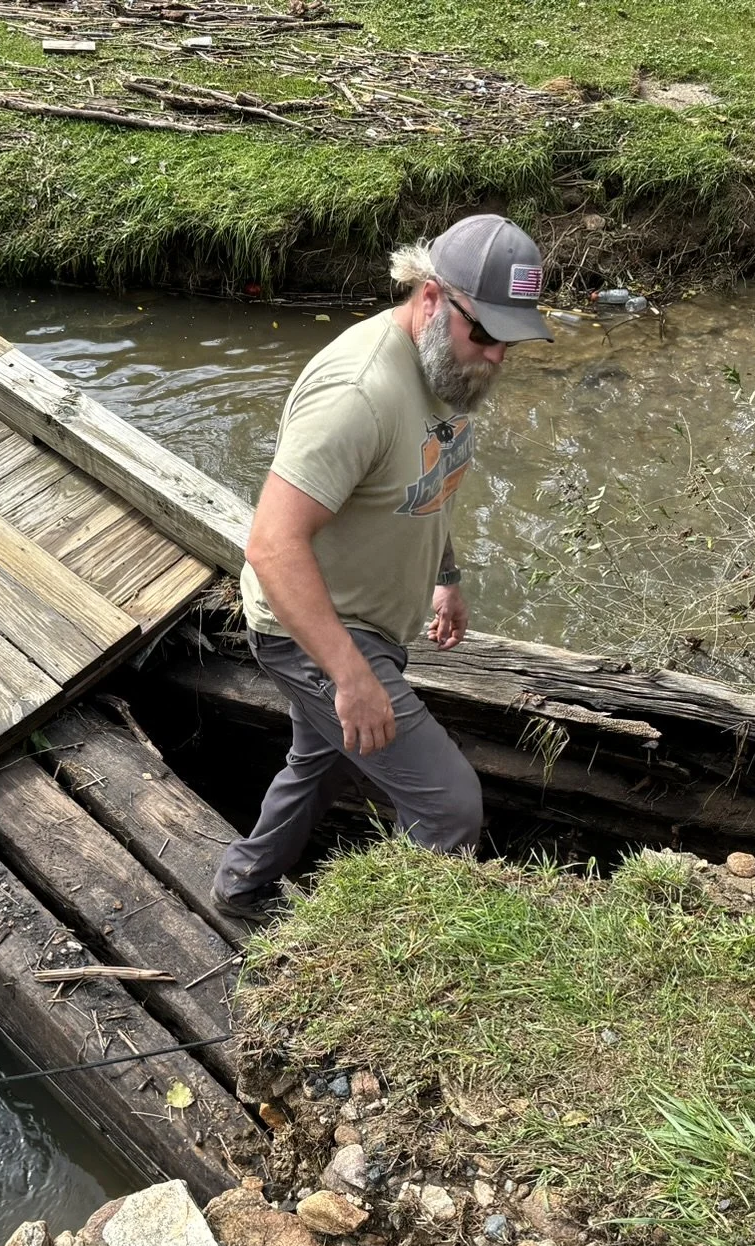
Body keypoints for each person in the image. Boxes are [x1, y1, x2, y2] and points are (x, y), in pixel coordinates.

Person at [212, 213, 553, 921]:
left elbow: (429, 478)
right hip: (312, 627)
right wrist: (349, 675)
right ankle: (387, 953)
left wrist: (446, 574)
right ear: (432, 298)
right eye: (484, 333)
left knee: (324, 756)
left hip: (374, 618)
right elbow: (273, 545)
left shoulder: (447, 371)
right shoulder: (359, 392)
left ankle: (243, 886)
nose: (494, 357)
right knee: (449, 805)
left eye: (509, 340)